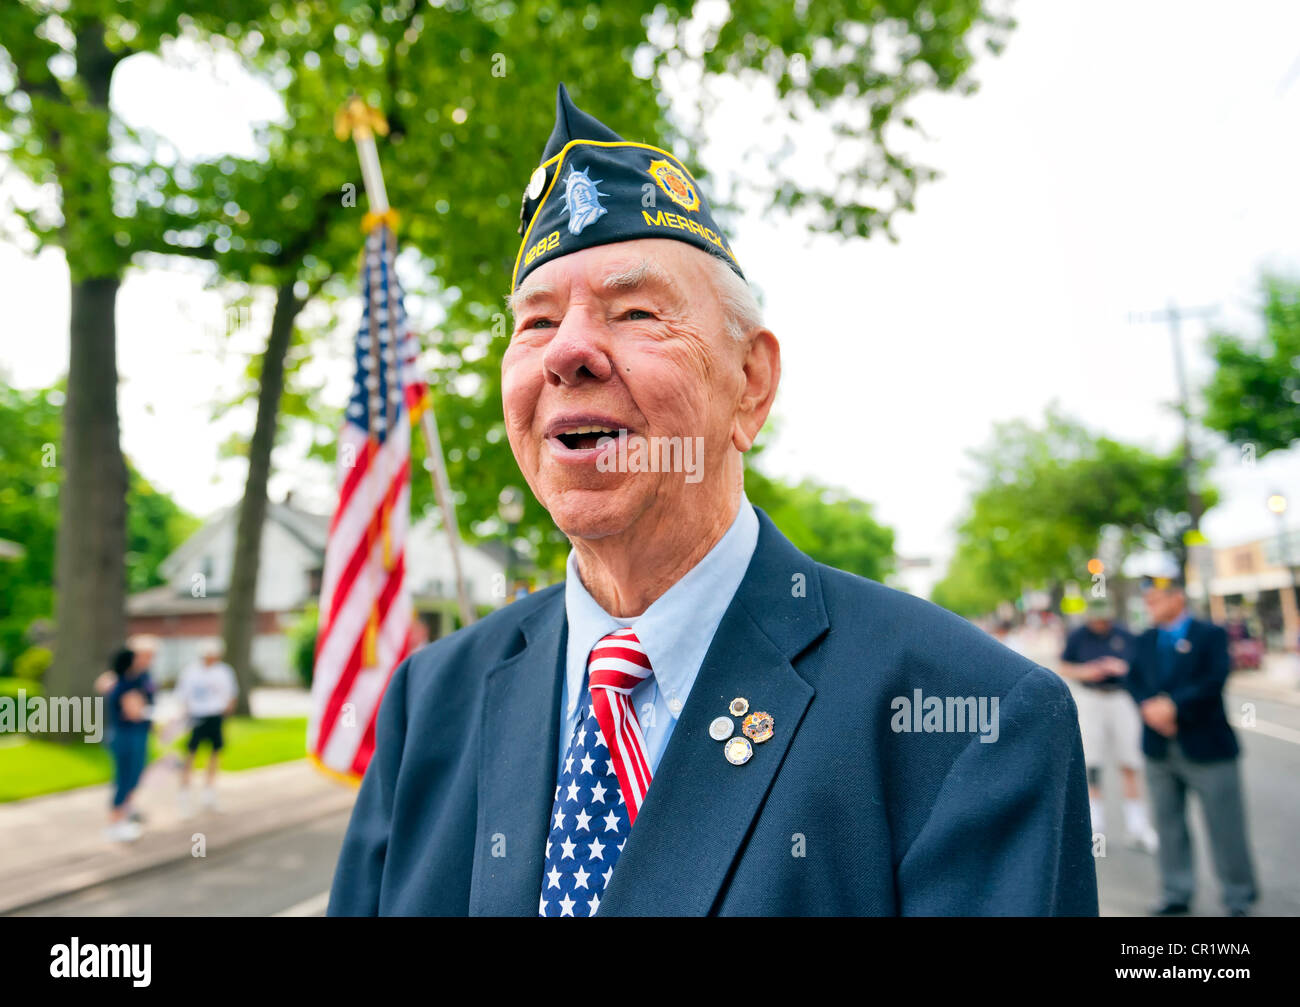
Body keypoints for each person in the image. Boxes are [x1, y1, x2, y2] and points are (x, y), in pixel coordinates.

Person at [328, 83, 1097, 917]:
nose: (570, 352)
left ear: (751, 384)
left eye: (634, 310)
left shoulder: (965, 719)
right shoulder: (427, 701)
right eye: (537, 323)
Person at [1126, 574, 1258, 916]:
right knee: (1169, 826)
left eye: (1155, 599)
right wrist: (1148, 707)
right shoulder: (1144, 639)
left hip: (1207, 746)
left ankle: (1238, 896)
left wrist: (1174, 707)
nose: (1149, 606)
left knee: (1225, 826)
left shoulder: (1210, 635)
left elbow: (1214, 679)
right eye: (1147, 600)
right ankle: (1176, 892)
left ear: (1177, 598)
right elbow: (1134, 678)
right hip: (1158, 748)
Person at [1058, 599, 1157, 851]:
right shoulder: (1078, 635)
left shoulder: (1124, 634)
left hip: (1121, 697)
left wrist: (1121, 668)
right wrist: (1086, 672)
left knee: (1130, 760)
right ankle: (1095, 825)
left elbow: (1141, 667)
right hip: (1092, 697)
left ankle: (1137, 824)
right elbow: (1063, 666)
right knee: (1092, 763)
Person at [97, 636, 158, 842]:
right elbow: (133, 711)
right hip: (125, 734)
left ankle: (123, 816)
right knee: (125, 778)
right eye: (146, 656)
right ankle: (115, 822)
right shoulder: (124, 680)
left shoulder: (142, 677)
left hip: (138, 733)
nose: (150, 660)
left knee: (134, 776)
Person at [175, 640, 239, 816]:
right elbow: (182, 696)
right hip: (197, 716)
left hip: (215, 716)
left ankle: (209, 793)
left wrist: (226, 710)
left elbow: (231, 694)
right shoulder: (191, 672)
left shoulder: (224, 671)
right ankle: (184, 796)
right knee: (190, 755)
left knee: (214, 755)